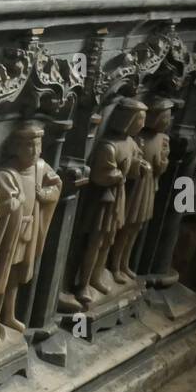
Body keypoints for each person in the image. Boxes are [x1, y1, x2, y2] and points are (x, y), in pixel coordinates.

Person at [0, 122, 63, 339]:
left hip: (28, 232)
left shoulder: (40, 168)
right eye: (28, 146)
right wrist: (13, 202)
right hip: (7, 236)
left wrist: (45, 194)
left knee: (16, 276)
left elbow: (57, 185)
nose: (34, 151)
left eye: (37, 145)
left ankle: (9, 315)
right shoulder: (6, 174)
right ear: (16, 148)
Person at [75, 99, 149, 304]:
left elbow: (134, 164)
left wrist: (138, 165)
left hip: (118, 197)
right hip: (103, 201)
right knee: (96, 241)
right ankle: (83, 284)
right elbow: (100, 174)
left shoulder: (131, 143)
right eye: (139, 119)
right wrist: (119, 174)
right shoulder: (109, 146)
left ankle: (96, 278)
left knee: (109, 239)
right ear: (128, 119)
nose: (142, 124)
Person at [109, 98, 172, 282]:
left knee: (137, 227)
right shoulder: (138, 138)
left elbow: (160, 167)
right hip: (135, 188)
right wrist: (139, 163)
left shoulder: (163, 139)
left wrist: (163, 159)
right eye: (165, 117)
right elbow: (131, 163)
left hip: (149, 186)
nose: (168, 121)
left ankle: (124, 263)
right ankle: (114, 265)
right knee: (126, 227)